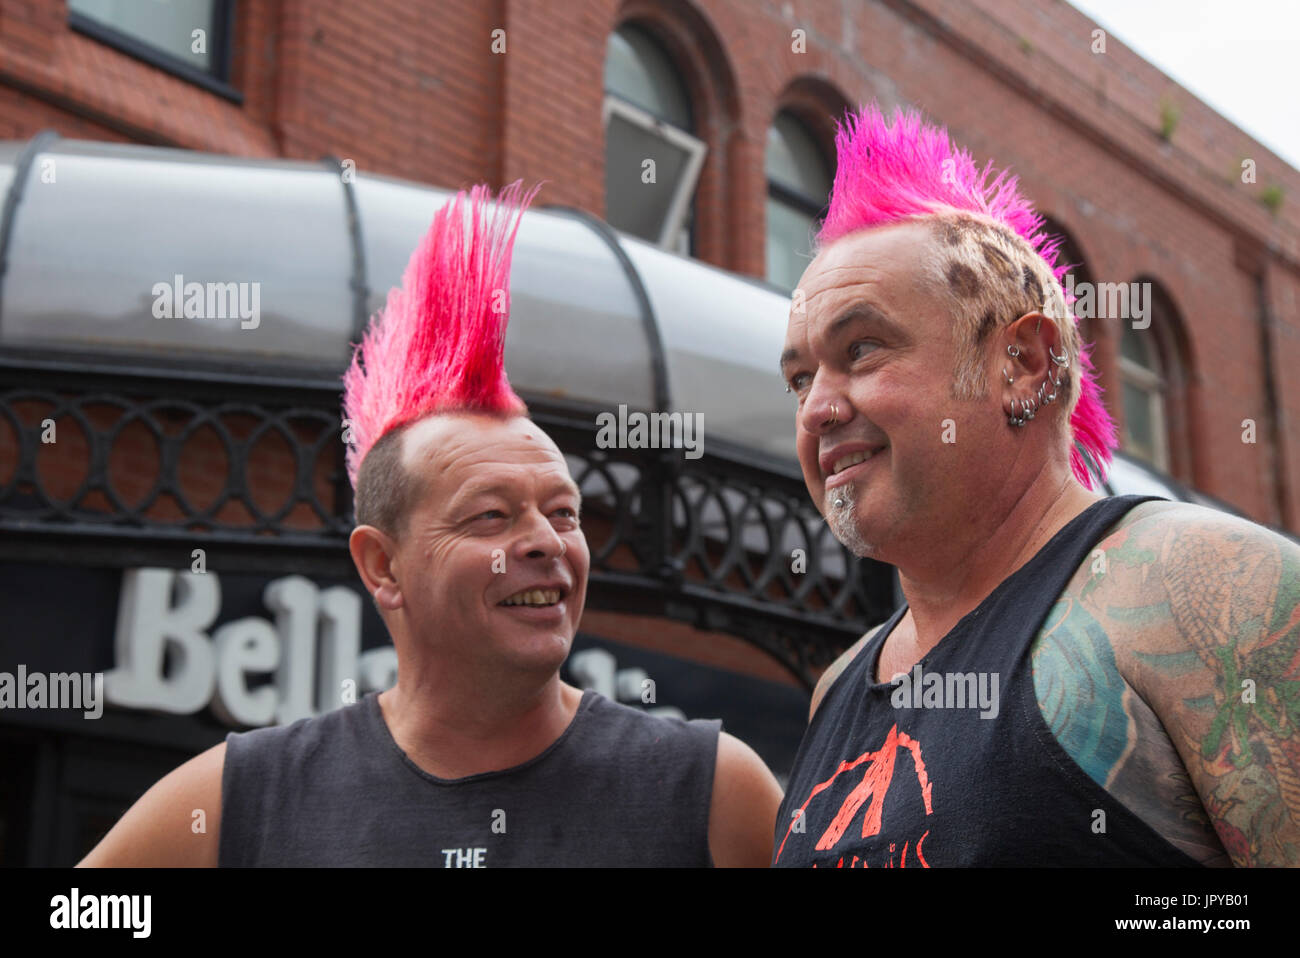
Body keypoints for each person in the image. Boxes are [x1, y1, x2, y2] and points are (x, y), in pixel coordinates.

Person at [80, 183, 781, 867]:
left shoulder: (713, 792)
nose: (547, 541)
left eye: (562, 511)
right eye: (490, 516)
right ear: (382, 566)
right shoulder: (243, 797)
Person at [773, 105, 1299, 867]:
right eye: (798, 379)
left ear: (1021, 364)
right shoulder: (840, 688)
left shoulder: (1210, 589)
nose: (818, 408)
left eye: (862, 349)